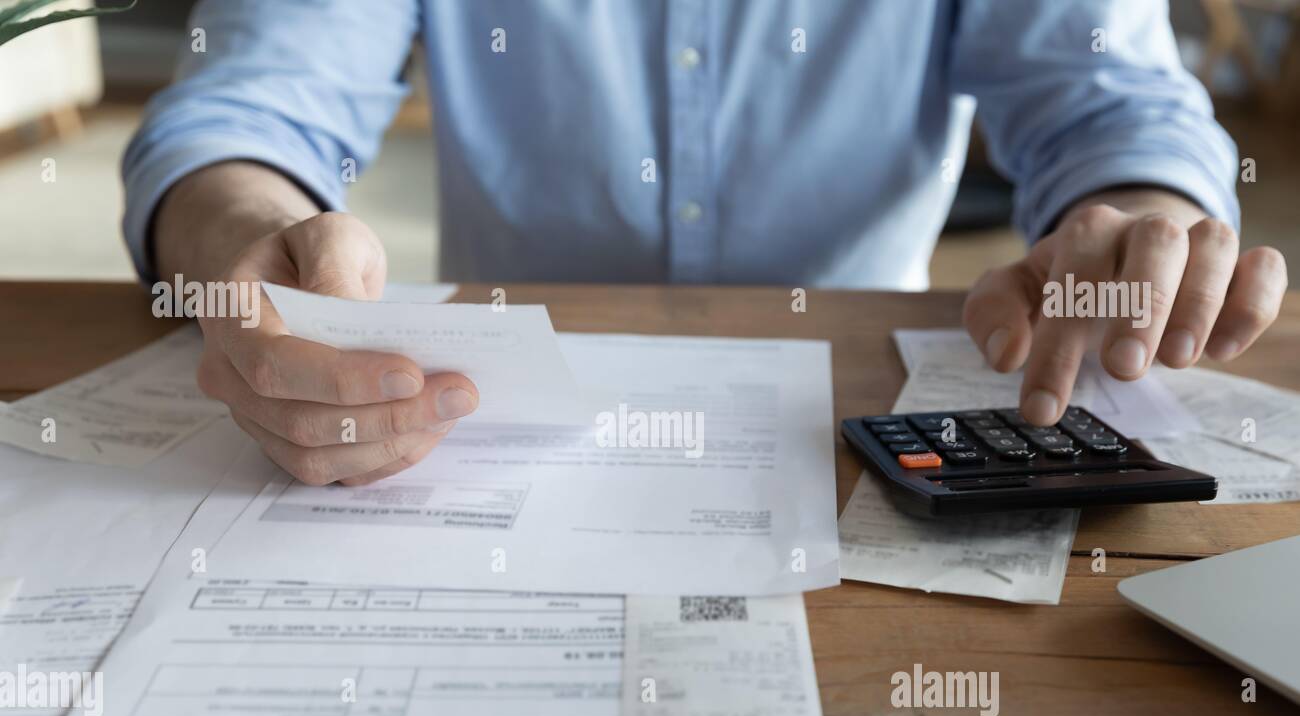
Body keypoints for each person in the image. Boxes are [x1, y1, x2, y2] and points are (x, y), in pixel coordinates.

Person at [125, 0, 1288, 486]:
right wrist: (244, 230)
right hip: (484, 433)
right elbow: (251, 98)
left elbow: (1107, 97)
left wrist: (1129, 215)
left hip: (857, 437)